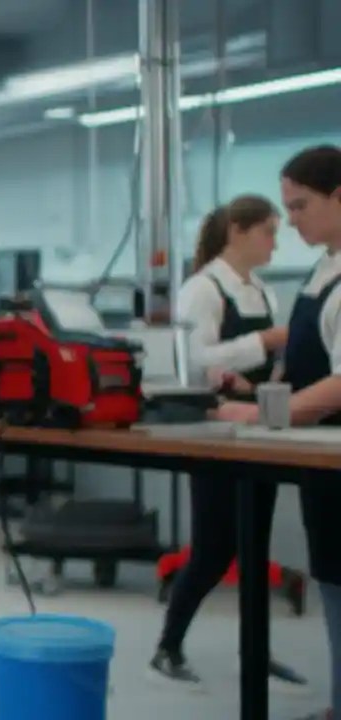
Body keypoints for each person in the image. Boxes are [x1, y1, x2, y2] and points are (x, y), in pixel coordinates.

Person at [148, 194, 306, 692]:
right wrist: (265, 343)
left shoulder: (260, 291)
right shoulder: (204, 288)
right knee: (215, 548)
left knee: (255, 545)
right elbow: (195, 361)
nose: (275, 243)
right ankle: (168, 646)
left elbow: (264, 363)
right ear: (238, 230)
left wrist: (271, 375)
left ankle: (255, 652)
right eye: (269, 232)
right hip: (214, 432)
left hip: (255, 426)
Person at [214, 145, 341, 719]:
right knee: (333, 581)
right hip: (319, 459)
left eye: (301, 206)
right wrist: (257, 393)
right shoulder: (325, 266)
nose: (291, 221)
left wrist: (269, 414)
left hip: (333, 452)